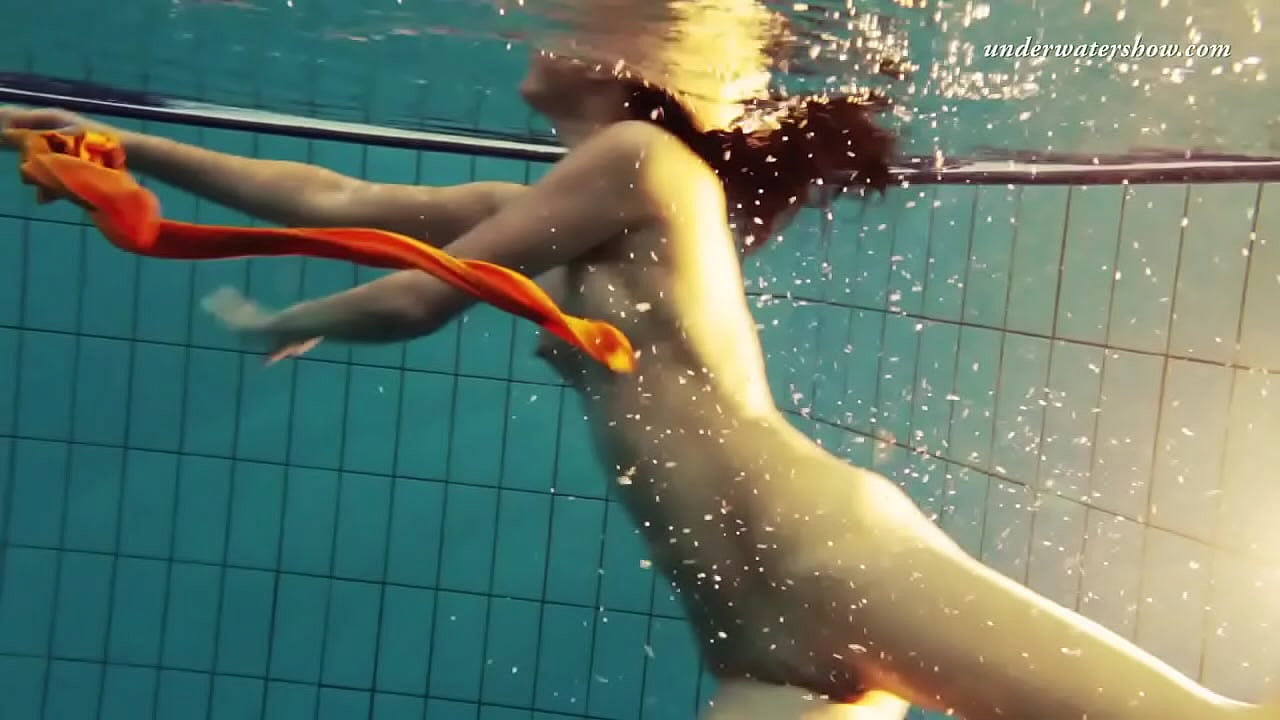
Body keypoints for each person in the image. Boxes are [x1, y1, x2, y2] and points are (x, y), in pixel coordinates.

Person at [1, 7, 1275, 720]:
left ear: (629, 59)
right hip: (748, 632)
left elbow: (420, 296)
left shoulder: (641, 164)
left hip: (829, 561)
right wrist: (123, 145)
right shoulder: (562, 195)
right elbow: (328, 194)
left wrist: (280, 320)